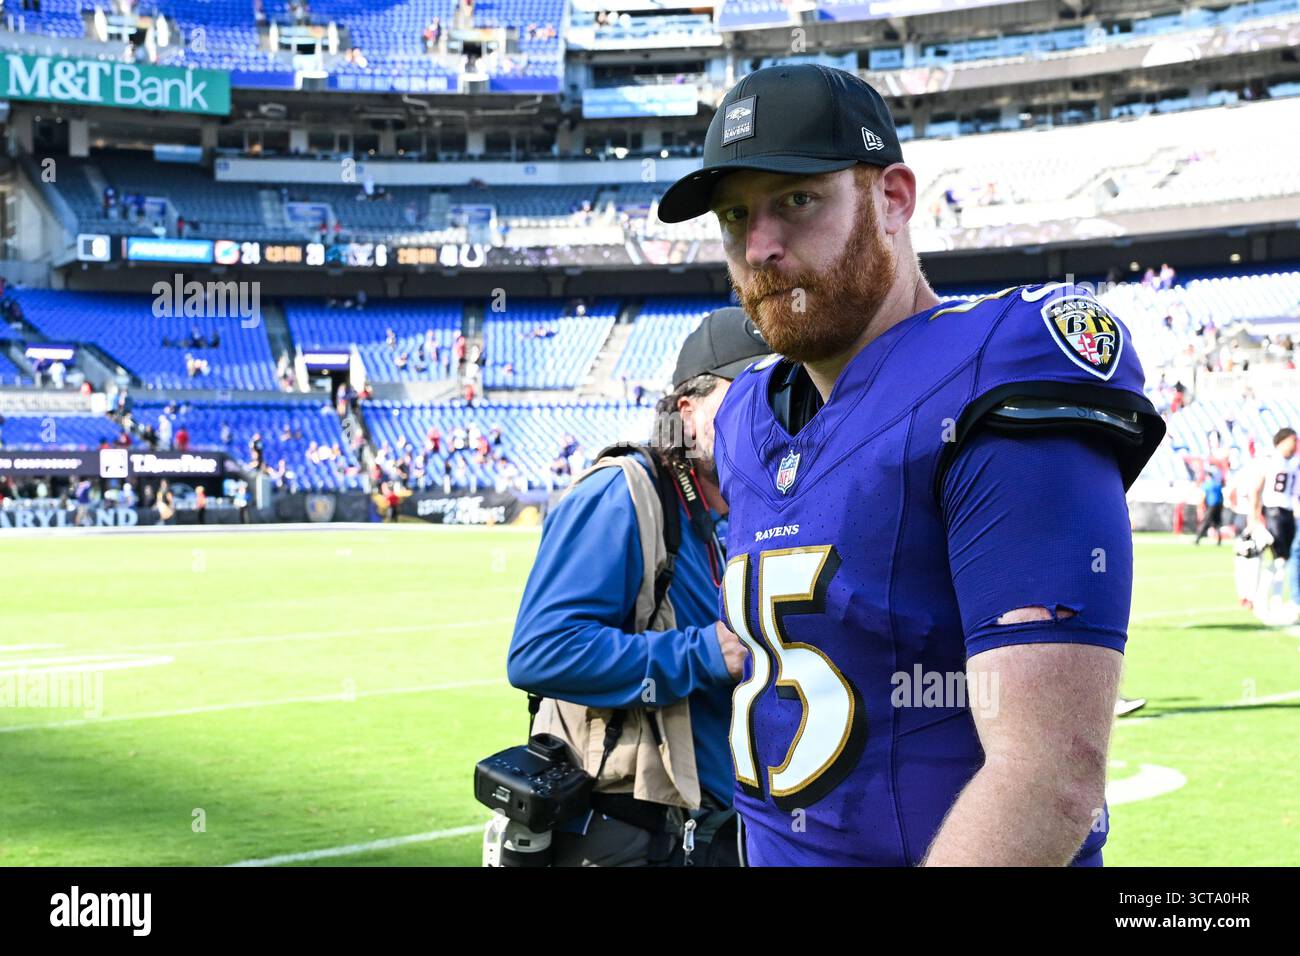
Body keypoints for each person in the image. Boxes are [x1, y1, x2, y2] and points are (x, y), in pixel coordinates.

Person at [655, 64, 1165, 866]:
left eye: (796, 200)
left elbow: (1050, 777)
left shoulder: (997, 371)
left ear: (893, 198)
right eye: (734, 215)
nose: (759, 246)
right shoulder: (747, 415)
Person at [507, 307, 770, 867]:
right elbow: (540, 653)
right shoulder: (621, 494)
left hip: (705, 829)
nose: (765, 413)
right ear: (687, 411)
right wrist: (703, 653)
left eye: (776, 391)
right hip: (623, 830)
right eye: (746, 393)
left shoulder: (730, 516)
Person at [1246, 427, 1298, 622]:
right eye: (1292, 441)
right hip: (1273, 512)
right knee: (1278, 560)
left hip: (1287, 513)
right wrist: (1253, 516)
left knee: (1283, 561)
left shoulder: (1292, 463)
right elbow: (1256, 489)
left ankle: (1274, 602)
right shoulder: (1270, 460)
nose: (1295, 446)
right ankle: (1262, 602)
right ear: (1282, 441)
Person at [1195, 468, 1226, 545]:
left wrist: (1201, 507)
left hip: (1211, 505)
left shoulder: (1206, 484)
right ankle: (1219, 540)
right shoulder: (1217, 484)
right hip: (1219, 506)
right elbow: (1221, 496)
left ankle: (1197, 539)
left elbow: (1203, 497)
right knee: (1217, 523)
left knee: (1205, 522)